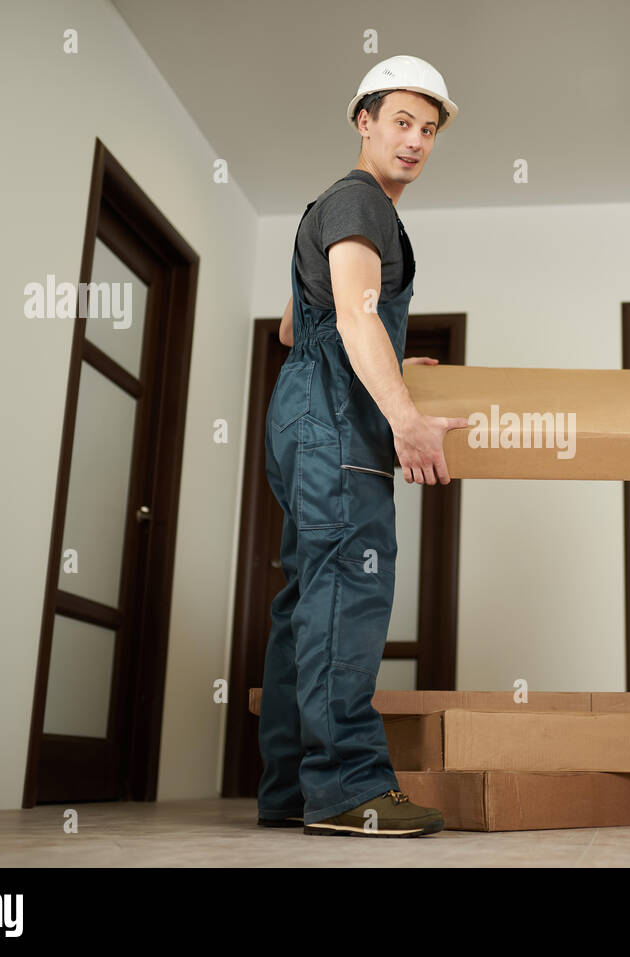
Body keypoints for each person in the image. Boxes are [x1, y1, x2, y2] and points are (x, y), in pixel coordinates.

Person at [257, 54, 468, 837]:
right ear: (364, 121)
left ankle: (289, 787)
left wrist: (383, 348)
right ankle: (346, 787)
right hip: (337, 421)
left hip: (302, 410)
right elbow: (351, 316)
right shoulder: (362, 201)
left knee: (308, 595)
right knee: (349, 588)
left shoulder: (336, 205)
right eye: (400, 122)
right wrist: (405, 414)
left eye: (428, 128)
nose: (414, 141)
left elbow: (292, 326)